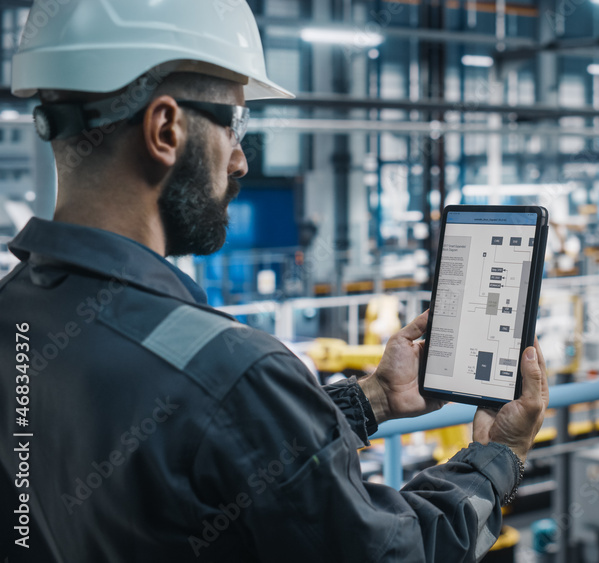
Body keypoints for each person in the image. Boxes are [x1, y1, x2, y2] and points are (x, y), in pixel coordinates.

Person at [0, 1, 548, 561]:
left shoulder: (14, 314)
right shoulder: (233, 370)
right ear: (165, 128)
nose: (239, 161)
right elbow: (391, 555)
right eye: (234, 125)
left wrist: (375, 398)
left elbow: (211, 441)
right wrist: (497, 458)